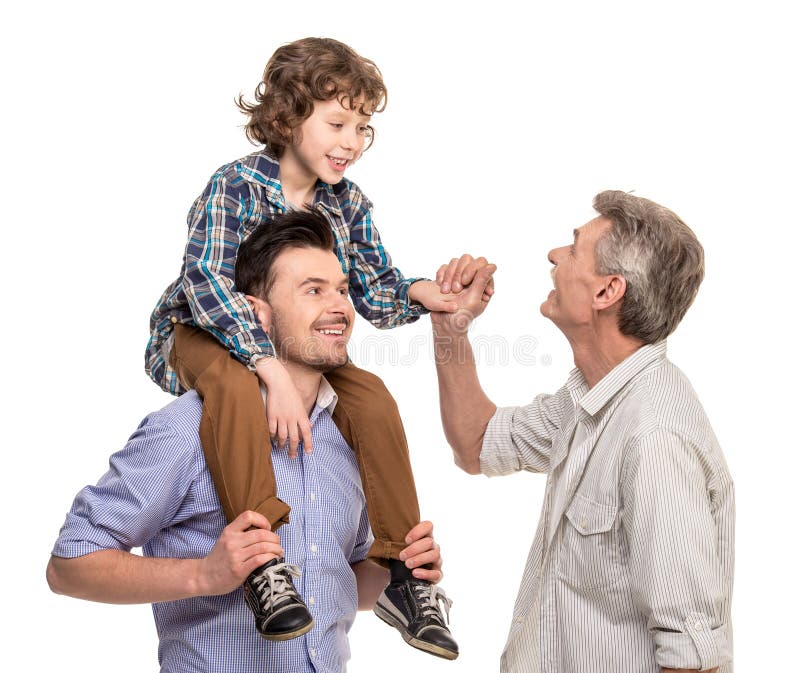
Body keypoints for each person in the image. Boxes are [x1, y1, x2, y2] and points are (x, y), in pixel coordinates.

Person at [144, 37, 484, 655]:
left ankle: (403, 571)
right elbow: (205, 283)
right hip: (199, 331)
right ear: (285, 118)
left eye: (362, 127)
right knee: (232, 386)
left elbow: (378, 292)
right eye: (337, 122)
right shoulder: (236, 186)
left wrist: (432, 293)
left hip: (290, 347)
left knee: (372, 397)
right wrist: (269, 370)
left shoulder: (346, 203)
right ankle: (264, 563)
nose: (351, 141)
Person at [47, 210, 456, 672]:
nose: (340, 307)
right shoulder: (186, 431)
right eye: (313, 290)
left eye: (342, 289)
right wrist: (203, 574)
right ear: (254, 311)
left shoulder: (350, 435)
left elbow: (340, 579)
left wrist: (394, 574)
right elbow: (69, 565)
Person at [431, 191, 734, 673]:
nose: (554, 256)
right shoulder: (591, 401)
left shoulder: (654, 437)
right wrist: (452, 327)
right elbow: (477, 443)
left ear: (606, 292)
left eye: (573, 249)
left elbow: (694, 659)